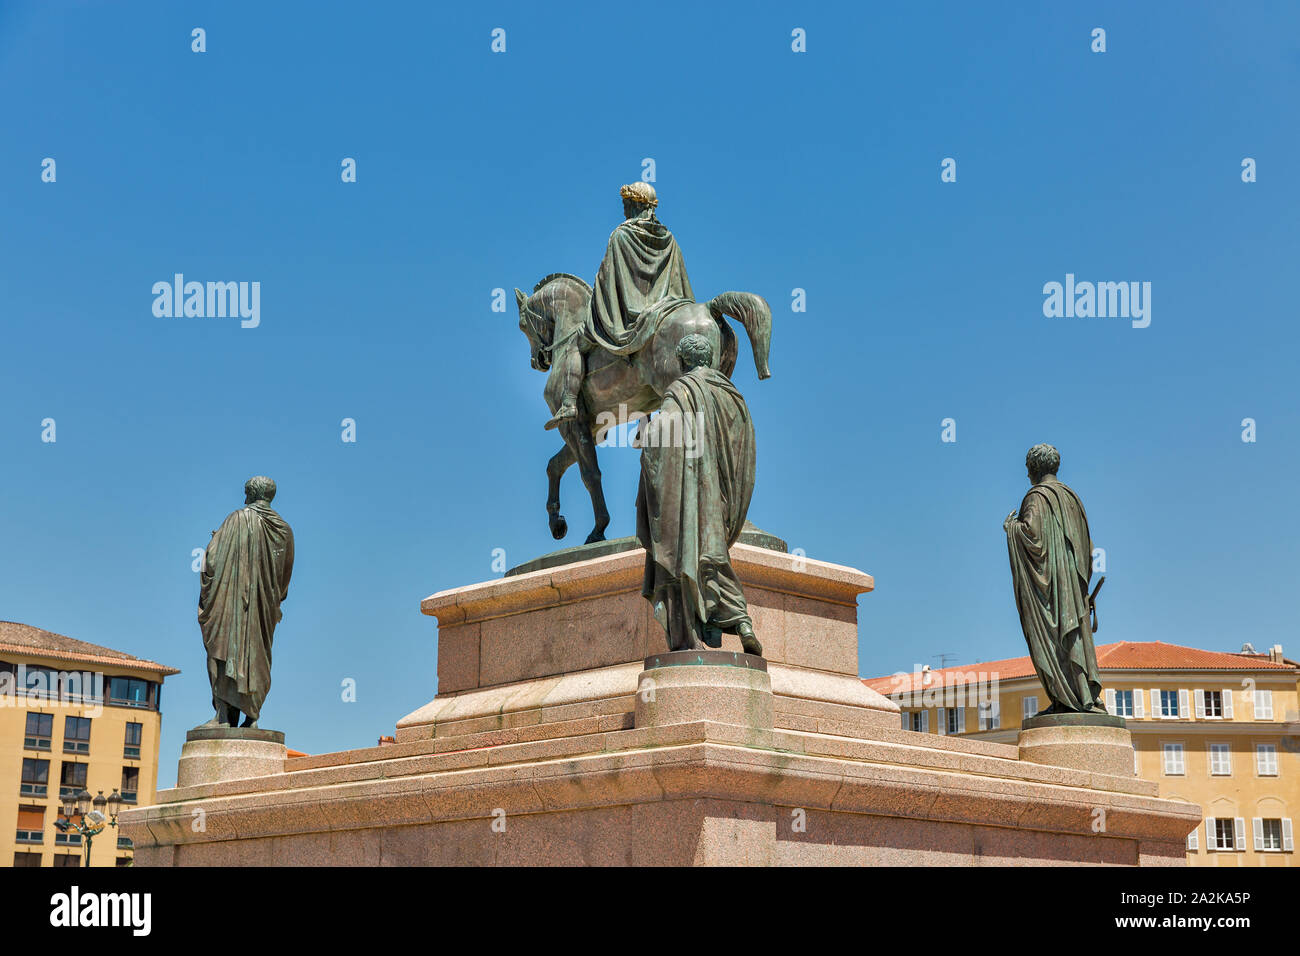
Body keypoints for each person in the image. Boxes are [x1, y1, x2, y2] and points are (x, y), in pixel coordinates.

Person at [635, 333, 761, 655]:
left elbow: (664, 437)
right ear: (711, 359)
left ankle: (701, 627)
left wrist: (646, 434)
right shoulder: (732, 396)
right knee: (715, 555)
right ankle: (742, 622)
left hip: (691, 495)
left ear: (682, 361)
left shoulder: (680, 391)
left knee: (691, 557)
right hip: (721, 494)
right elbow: (743, 446)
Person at [545, 182, 694, 429]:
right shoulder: (669, 239)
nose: (624, 210)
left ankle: (569, 402)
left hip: (630, 315)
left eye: (626, 204)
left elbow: (606, 279)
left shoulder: (621, 235)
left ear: (636, 204)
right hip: (667, 307)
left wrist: (597, 312)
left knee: (576, 343)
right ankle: (646, 418)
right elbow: (679, 280)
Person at [1004, 444, 1106, 715]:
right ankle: (1083, 697)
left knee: (1057, 637)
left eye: (1028, 470)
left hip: (1052, 587)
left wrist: (1011, 529)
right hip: (1073, 584)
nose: (1027, 476)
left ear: (1033, 469)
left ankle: (1070, 700)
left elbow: (1032, 536)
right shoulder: (1073, 499)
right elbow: (1088, 544)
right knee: (1075, 636)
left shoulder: (1036, 497)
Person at [198, 476, 294, 729]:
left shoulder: (236, 519)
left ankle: (222, 716)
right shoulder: (283, 530)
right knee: (258, 656)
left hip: (230, 606)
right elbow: (284, 577)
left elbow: (213, 562)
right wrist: (271, 598)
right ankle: (251, 717)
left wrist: (214, 543)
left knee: (222, 649)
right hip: (264, 608)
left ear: (251, 494)